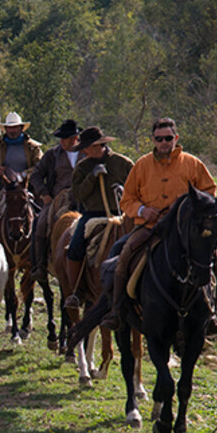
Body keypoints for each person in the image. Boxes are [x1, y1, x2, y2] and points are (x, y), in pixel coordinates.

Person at [100, 117, 217, 332]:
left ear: (176, 138)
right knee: (122, 256)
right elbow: (127, 199)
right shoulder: (141, 165)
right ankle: (116, 311)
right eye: (159, 139)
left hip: (184, 232)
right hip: (150, 227)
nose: (164, 143)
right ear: (153, 140)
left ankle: (211, 313)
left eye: (168, 138)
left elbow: (209, 195)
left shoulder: (193, 163)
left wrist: (193, 213)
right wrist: (142, 211)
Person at [64, 126, 134, 310]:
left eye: (89, 147)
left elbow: (138, 187)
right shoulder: (82, 167)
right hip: (92, 215)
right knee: (75, 246)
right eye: (85, 148)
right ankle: (76, 292)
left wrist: (124, 191)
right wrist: (91, 177)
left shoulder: (123, 163)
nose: (86, 151)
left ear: (100, 145)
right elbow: (78, 195)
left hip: (122, 213)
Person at [0, 112, 42, 237]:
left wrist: (23, 174)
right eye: (9, 128)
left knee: (44, 214)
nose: (12, 130)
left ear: (21, 128)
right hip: (3, 187)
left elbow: (40, 166)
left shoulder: (33, 147)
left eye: (15, 127)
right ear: (5, 129)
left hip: (28, 186)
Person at [29, 119, 81, 282]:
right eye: (61, 138)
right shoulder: (52, 155)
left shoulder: (87, 152)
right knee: (41, 223)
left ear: (75, 138)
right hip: (58, 198)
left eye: (65, 138)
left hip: (84, 197)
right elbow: (36, 175)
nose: (62, 142)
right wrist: (44, 194)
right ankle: (40, 266)